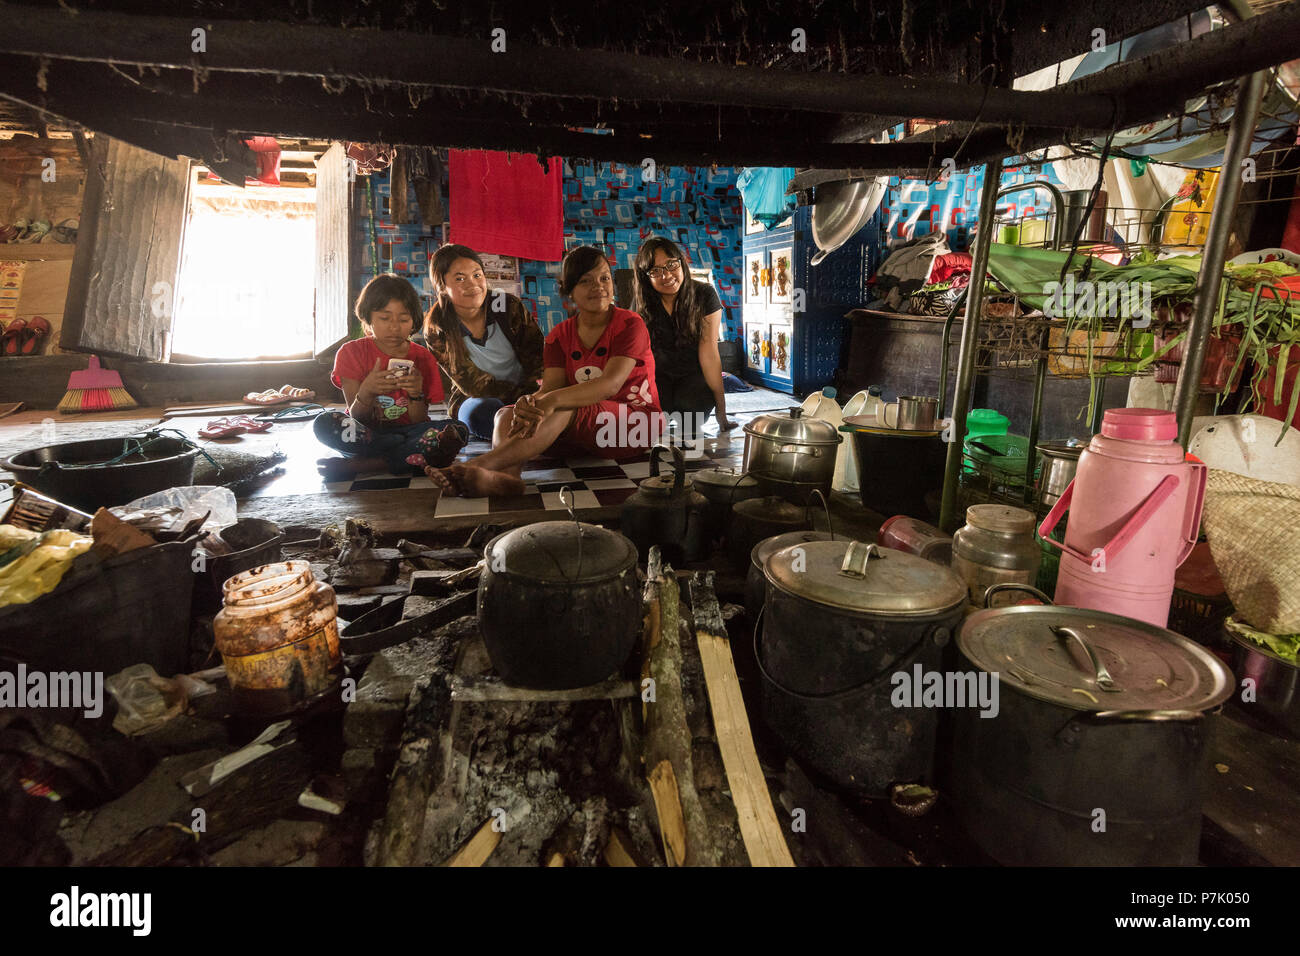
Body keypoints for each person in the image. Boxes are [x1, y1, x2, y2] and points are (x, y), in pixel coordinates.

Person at [426, 245, 662, 498]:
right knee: (507, 413)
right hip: (582, 433)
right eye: (585, 281)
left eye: (604, 278)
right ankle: (507, 479)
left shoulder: (629, 324)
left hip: (633, 427)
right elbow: (550, 388)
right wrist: (527, 405)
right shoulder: (559, 335)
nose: (598, 286)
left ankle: (479, 465)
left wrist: (544, 400)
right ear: (569, 290)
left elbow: (609, 385)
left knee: (566, 403)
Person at [315, 274, 467, 479]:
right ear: (368, 318)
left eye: (403, 319)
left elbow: (419, 420)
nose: (394, 327)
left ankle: (366, 464)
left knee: (458, 429)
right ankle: (404, 456)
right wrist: (367, 392)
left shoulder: (422, 357)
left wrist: (415, 394)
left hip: (410, 433)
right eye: (384, 318)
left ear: (414, 320)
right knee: (324, 422)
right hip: (366, 436)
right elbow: (357, 418)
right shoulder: (350, 353)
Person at [423, 244, 545, 440]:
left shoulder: (507, 306)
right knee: (484, 412)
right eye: (460, 278)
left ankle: (524, 429)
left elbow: (538, 359)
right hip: (477, 399)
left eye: (477, 275)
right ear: (442, 287)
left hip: (529, 393)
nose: (472, 284)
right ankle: (526, 431)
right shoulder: (437, 327)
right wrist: (520, 403)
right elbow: (474, 385)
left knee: (551, 406)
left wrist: (532, 397)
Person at [631, 237, 736, 441]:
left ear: (681, 262)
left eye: (671, 264)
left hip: (693, 379)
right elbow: (635, 357)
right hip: (656, 378)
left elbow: (709, 352)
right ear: (647, 277)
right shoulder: (641, 303)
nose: (667, 275)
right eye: (656, 271)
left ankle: (688, 417)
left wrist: (721, 412)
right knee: (653, 423)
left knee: (691, 413)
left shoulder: (704, 294)